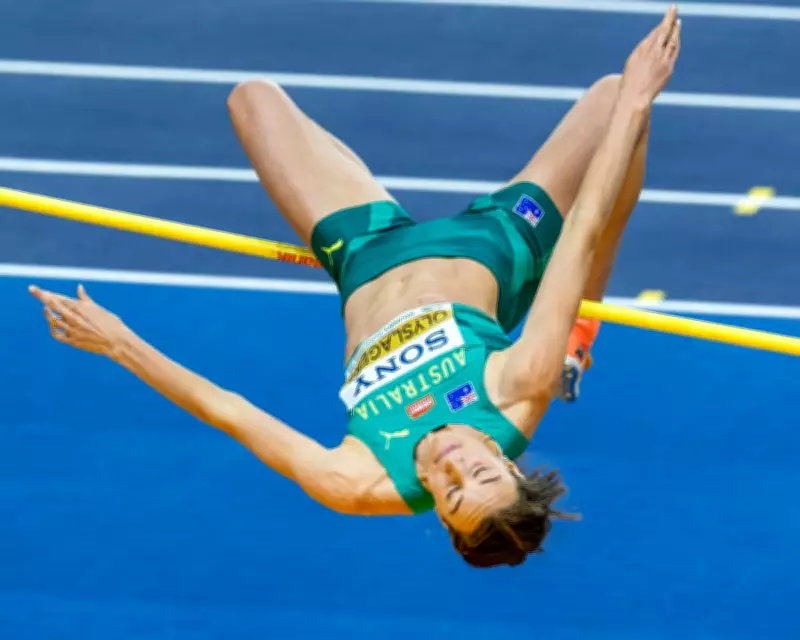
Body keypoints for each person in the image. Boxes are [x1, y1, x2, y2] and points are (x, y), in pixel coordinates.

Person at [30, 7, 681, 568]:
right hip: (490, 245)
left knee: (250, 99)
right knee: (615, 99)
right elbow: (584, 230)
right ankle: (582, 335)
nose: (453, 463)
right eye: (480, 471)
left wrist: (119, 343)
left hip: (366, 255)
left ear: (442, 521)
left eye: (451, 491)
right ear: (510, 466)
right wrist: (636, 102)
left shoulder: (355, 479)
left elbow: (227, 408)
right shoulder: (519, 388)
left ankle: (374, 201)